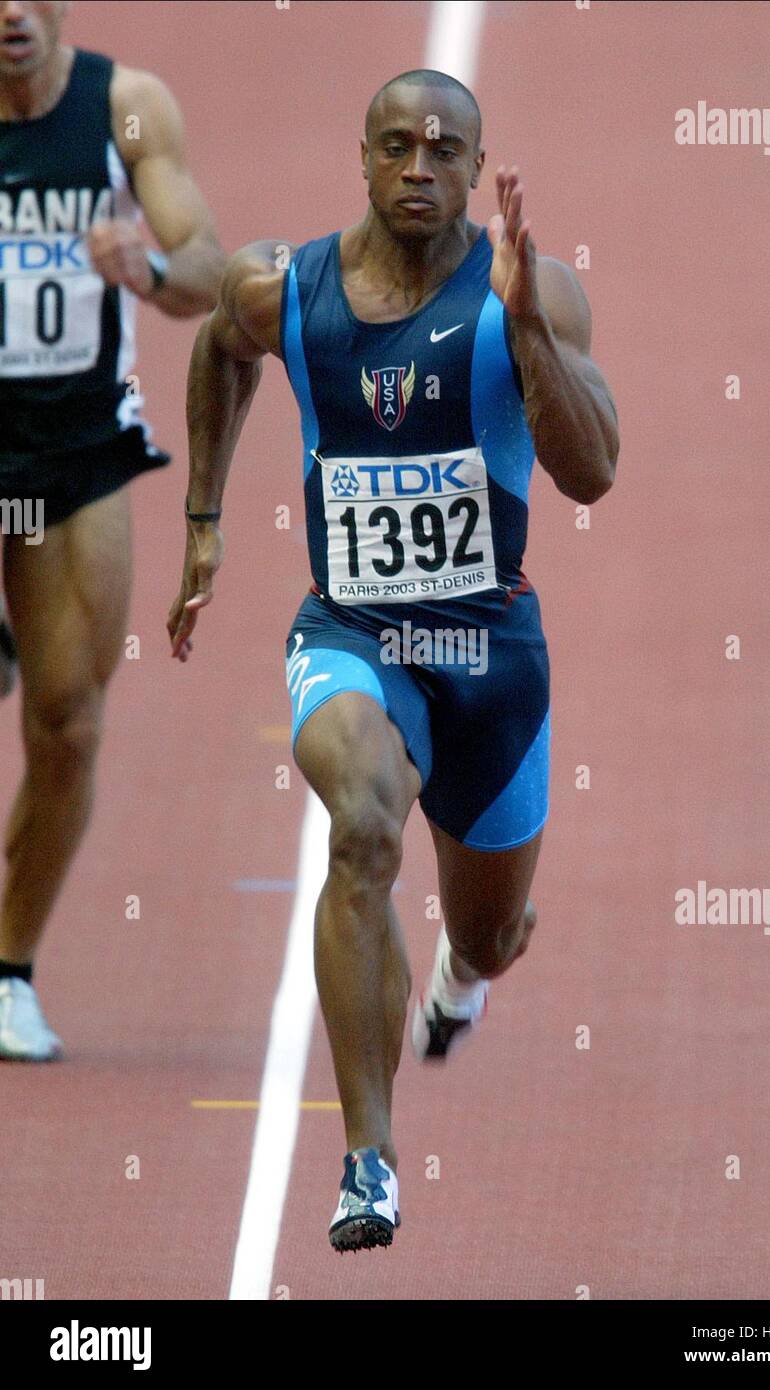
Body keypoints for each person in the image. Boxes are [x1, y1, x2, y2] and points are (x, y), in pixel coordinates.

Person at [168, 69, 619, 1252]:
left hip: (490, 655)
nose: (418, 166)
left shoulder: (535, 289)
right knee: (361, 826)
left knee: (488, 934)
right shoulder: (283, 285)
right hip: (353, 631)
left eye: (443, 149)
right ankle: (368, 1157)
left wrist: (523, 332)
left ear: (478, 168)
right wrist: (204, 518)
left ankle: (458, 982)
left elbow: (592, 473)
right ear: (359, 158)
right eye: (395, 146)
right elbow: (220, 348)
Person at [0, 0, 223, 1059]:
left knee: (68, 723)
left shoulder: (126, 112)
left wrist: (149, 269)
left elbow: (209, 268)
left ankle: (8, 970)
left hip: (75, 452)